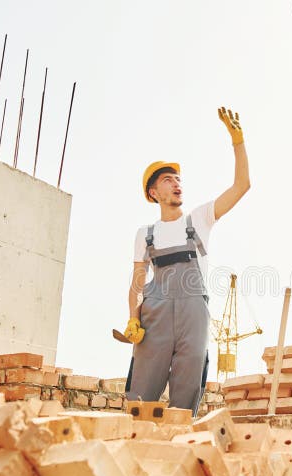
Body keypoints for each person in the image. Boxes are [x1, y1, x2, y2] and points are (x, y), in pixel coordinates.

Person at [122, 107, 250, 414]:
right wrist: (133, 318)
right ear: (153, 192)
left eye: (178, 179)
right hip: (154, 321)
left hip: (193, 318)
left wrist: (237, 142)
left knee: (186, 399)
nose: (176, 183)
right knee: (140, 401)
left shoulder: (200, 220)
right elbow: (137, 284)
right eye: (168, 180)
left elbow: (241, 186)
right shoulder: (145, 234)